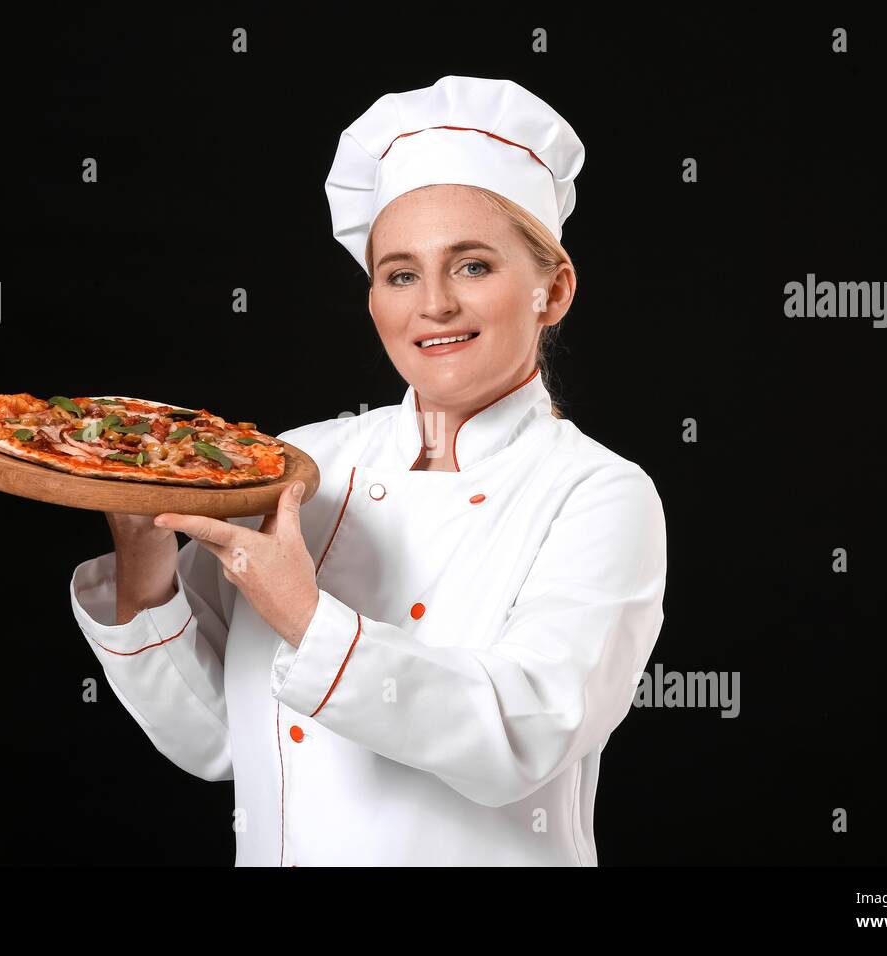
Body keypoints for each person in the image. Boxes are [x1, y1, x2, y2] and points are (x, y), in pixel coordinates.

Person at [70, 75, 667, 866]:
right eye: (401, 273)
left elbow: (521, 737)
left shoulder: (598, 494)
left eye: (474, 266)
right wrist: (144, 551)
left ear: (552, 290)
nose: (435, 306)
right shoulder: (295, 463)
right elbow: (216, 740)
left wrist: (305, 616)